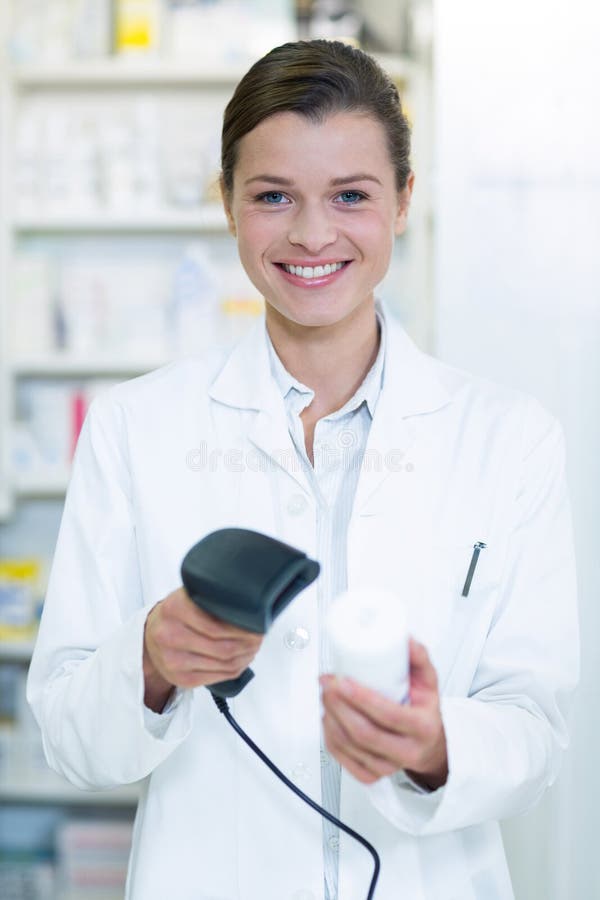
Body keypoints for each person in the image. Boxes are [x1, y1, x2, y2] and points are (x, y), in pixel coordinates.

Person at [27, 39, 578, 900]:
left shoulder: (509, 440)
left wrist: (439, 746)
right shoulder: (136, 428)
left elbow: (536, 729)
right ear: (227, 203)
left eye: (351, 195)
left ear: (403, 201)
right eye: (273, 196)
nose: (312, 234)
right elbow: (66, 735)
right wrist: (152, 659)